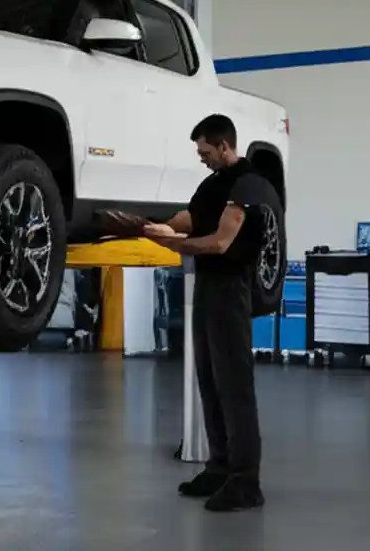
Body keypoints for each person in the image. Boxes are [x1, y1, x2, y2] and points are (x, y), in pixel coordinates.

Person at [104, 113, 282, 512]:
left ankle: (245, 480)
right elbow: (191, 217)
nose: (201, 158)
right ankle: (219, 467)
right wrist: (155, 227)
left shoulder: (248, 184)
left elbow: (219, 243)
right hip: (207, 286)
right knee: (209, 379)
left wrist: (171, 244)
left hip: (232, 288)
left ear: (224, 145)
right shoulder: (212, 183)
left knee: (234, 385)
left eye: (205, 152)